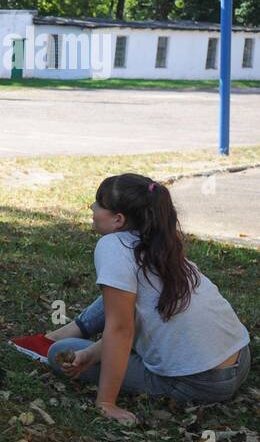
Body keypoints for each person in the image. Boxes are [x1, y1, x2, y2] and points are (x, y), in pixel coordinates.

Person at [44, 174, 250, 424]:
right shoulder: (159, 244)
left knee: (59, 353)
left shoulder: (111, 246)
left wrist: (106, 402)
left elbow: (121, 329)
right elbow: (142, 314)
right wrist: (93, 353)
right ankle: (66, 332)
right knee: (120, 298)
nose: (92, 208)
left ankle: (57, 340)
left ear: (118, 220)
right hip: (240, 359)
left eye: (99, 203)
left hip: (201, 382)